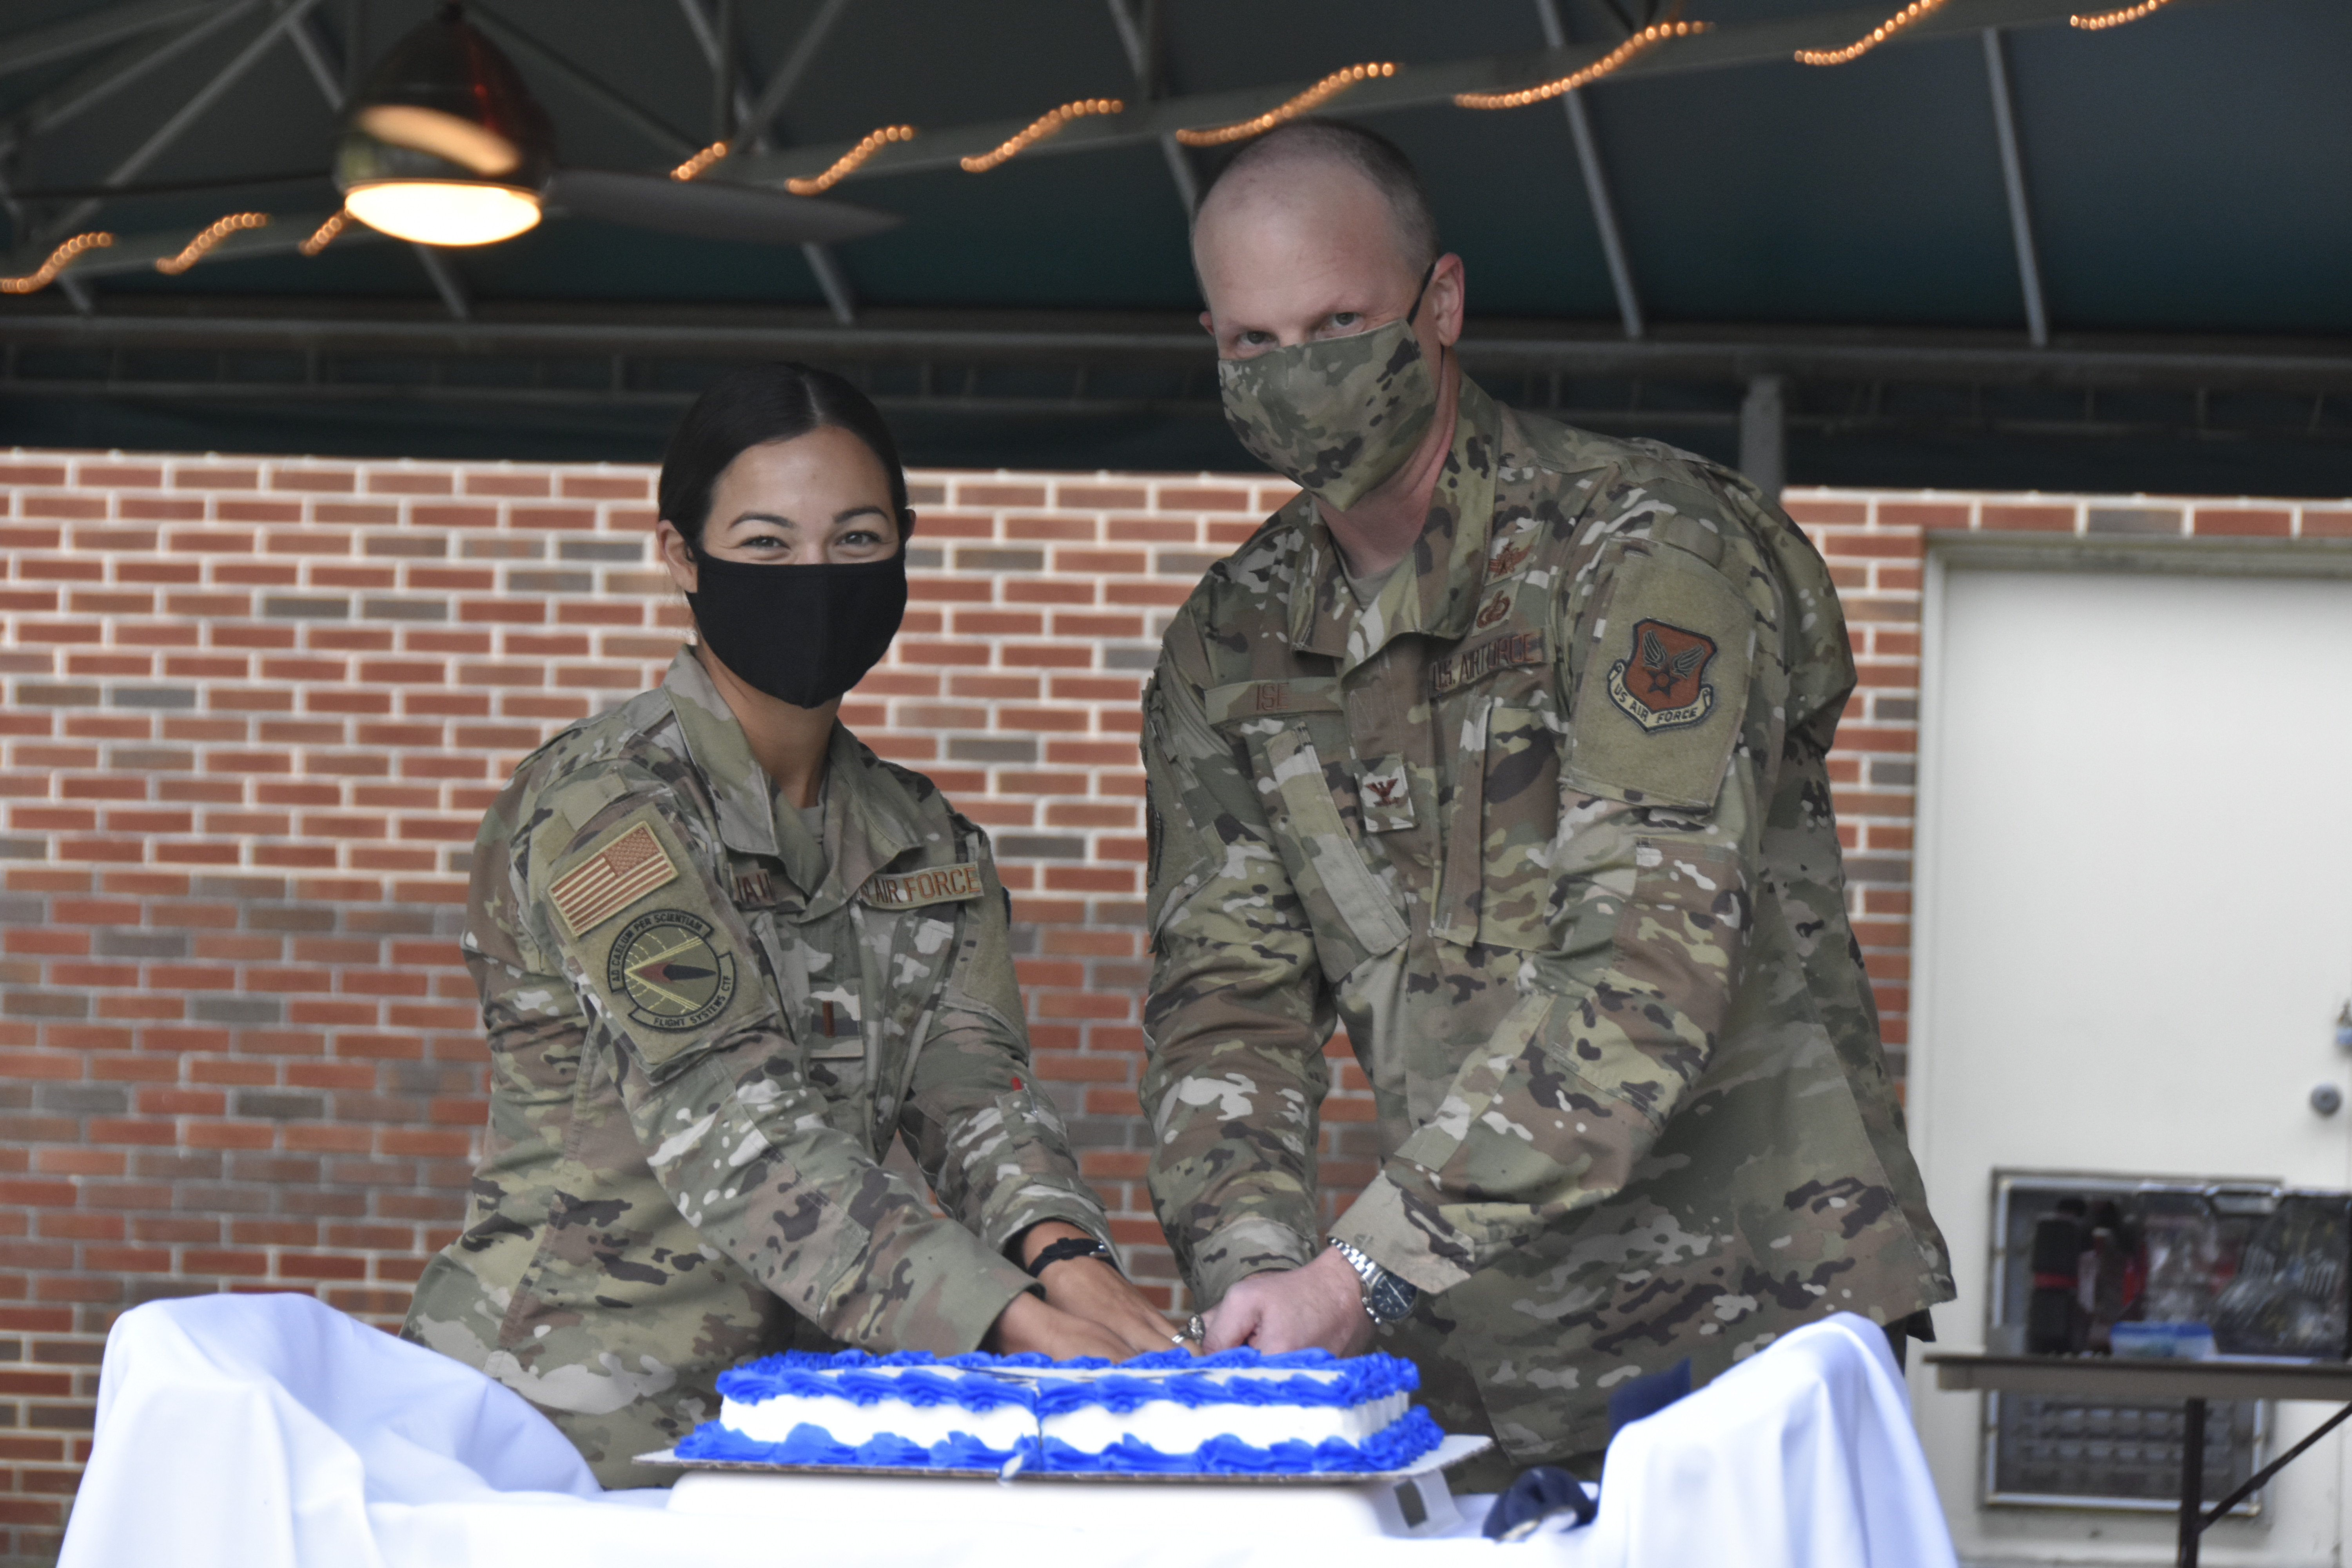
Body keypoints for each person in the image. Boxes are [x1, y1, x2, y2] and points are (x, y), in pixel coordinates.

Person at [1138, 121, 1955, 1484]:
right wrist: (1261, 1285)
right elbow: (1228, 1006)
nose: (1302, 375)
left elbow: (1646, 969)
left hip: (1751, 1328)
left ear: (1440, 304)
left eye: (1340, 322)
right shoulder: (1230, 644)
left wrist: (1353, 1279)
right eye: (1253, 346)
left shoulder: (1644, 552)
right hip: (1468, 1362)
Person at [405, 363, 1180, 1487]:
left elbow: (977, 1107)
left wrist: (1076, 1269)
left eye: (857, 542)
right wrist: (1015, 1324)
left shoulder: (926, 839)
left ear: (905, 546)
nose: (815, 577)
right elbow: (740, 1136)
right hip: (560, 1429)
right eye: (767, 544)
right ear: (681, 554)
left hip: (788, 1430)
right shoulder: (608, 811)